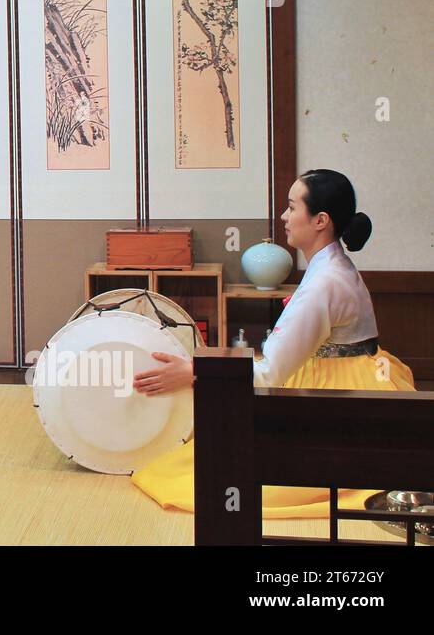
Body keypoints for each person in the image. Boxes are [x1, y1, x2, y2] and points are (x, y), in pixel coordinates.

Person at [131, 169, 415, 516]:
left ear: (320, 220)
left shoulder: (323, 283)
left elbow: (269, 374)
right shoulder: (334, 265)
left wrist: (194, 373)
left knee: (202, 471)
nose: (284, 216)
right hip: (361, 379)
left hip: (337, 394)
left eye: (292, 207)